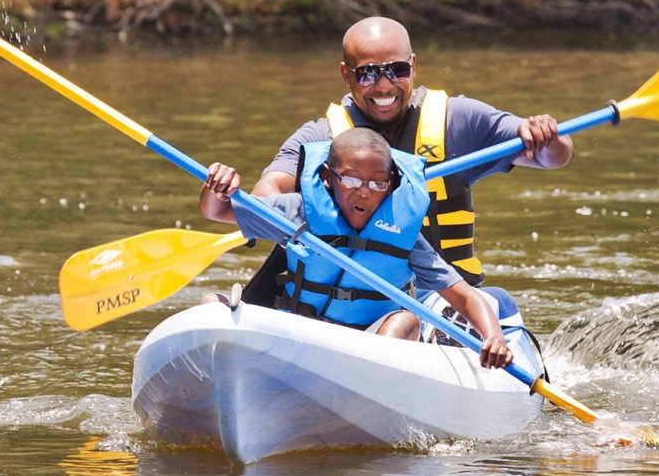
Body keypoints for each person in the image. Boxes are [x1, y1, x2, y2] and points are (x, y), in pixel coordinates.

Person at [238, 16, 574, 333]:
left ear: (413, 66)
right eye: (367, 74)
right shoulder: (321, 138)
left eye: (396, 71)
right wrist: (296, 212)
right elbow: (267, 191)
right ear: (346, 75)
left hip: (442, 299)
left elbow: (553, 157)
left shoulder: (458, 121)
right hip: (356, 308)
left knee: (491, 303)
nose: (383, 86)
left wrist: (546, 138)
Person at [199, 128, 515, 368]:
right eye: (351, 180)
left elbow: (465, 296)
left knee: (405, 320)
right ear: (327, 178)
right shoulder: (297, 213)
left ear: (391, 184)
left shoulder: (404, 238)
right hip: (297, 334)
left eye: (378, 183)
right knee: (210, 305)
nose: (364, 193)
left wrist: (494, 338)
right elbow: (216, 211)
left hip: (369, 345)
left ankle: (366, 397)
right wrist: (218, 187)